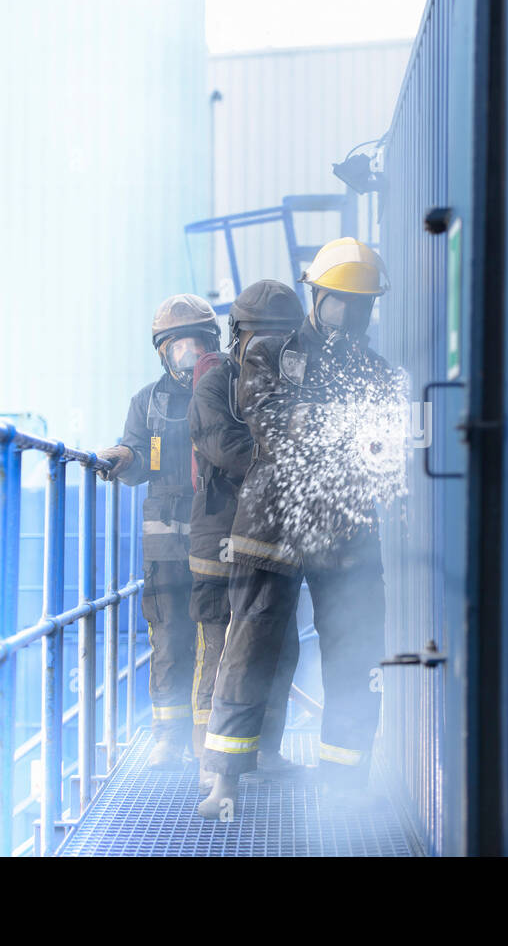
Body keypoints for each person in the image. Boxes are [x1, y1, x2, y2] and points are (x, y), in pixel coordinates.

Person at [198, 239, 403, 819]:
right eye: (342, 303)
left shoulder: (379, 374)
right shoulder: (268, 353)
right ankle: (226, 781)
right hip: (273, 527)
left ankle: (346, 780)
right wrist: (338, 425)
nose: (353, 317)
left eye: (362, 307)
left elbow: (381, 451)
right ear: (318, 297)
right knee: (251, 649)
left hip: (347, 533)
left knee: (355, 651)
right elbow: (270, 423)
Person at [187, 280, 306, 791]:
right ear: (238, 337)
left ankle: (264, 753)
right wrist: (292, 461)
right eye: (261, 337)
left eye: (281, 338)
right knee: (229, 646)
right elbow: (224, 446)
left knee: (280, 646)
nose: (269, 348)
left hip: (275, 532)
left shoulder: (295, 380)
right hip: (226, 534)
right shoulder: (217, 385)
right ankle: (213, 770)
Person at [96, 294, 220, 768]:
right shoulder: (147, 402)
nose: (188, 357)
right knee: (170, 636)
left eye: (197, 346)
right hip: (167, 543)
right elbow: (133, 455)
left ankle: (211, 740)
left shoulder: (230, 389)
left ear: (212, 343)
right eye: (178, 348)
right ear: (163, 352)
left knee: (218, 637)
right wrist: (120, 457)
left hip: (219, 538)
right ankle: (169, 738)